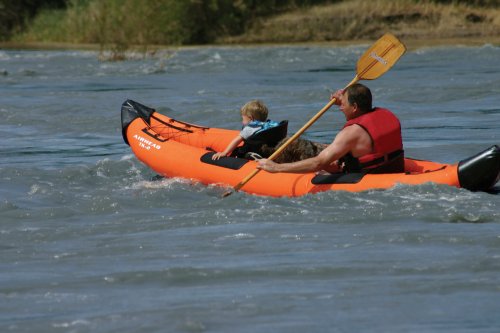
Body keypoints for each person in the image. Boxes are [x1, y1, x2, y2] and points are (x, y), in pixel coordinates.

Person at [257, 83, 404, 174]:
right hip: (390, 166)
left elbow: (318, 163)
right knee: (317, 146)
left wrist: (276, 168)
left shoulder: (351, 133)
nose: (340, 107)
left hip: (362, 172)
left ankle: (260, 153)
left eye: (343, 104)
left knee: (293, 145)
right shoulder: (386, 114)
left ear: (354, 107)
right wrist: (344, 99)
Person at [212, 100, 280, 160]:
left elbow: (237, 140)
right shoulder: (269, 126)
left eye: (243, 118)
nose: (242, 121)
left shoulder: (250, 128)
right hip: (267, 151)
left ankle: (251, 155)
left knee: (238, 150)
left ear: (251, 118)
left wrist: (225, 152)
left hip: (255, 150)